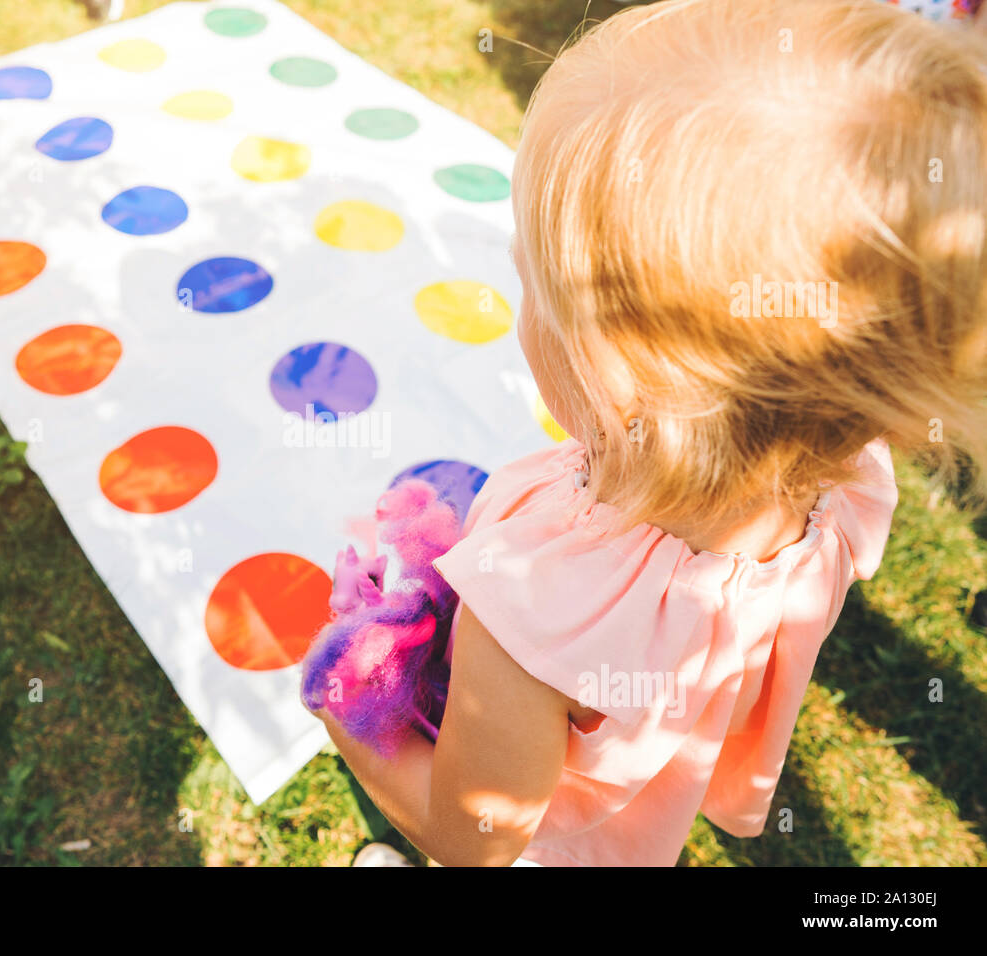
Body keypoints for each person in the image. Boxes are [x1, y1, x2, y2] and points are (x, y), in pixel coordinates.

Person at [318, 0, 987, 866]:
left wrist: (346, 702)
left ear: (620, 380)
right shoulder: (841, 480)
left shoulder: (537, 602)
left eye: (534, 288)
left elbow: (472, 835)